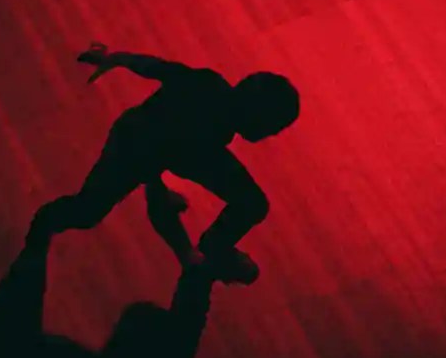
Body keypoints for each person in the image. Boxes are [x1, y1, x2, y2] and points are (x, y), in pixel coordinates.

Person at [27, 42, 300, 284]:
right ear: (257, 115)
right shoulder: (207, 110)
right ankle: (44, 222)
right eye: (273, 127)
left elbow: (160, 68)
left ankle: (212, 244)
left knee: (251, 202)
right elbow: (159, 72)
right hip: (137, 148)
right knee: (86, 212)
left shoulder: (208, 84)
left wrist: (118, 58)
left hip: (181, 149)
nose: (270, 135)